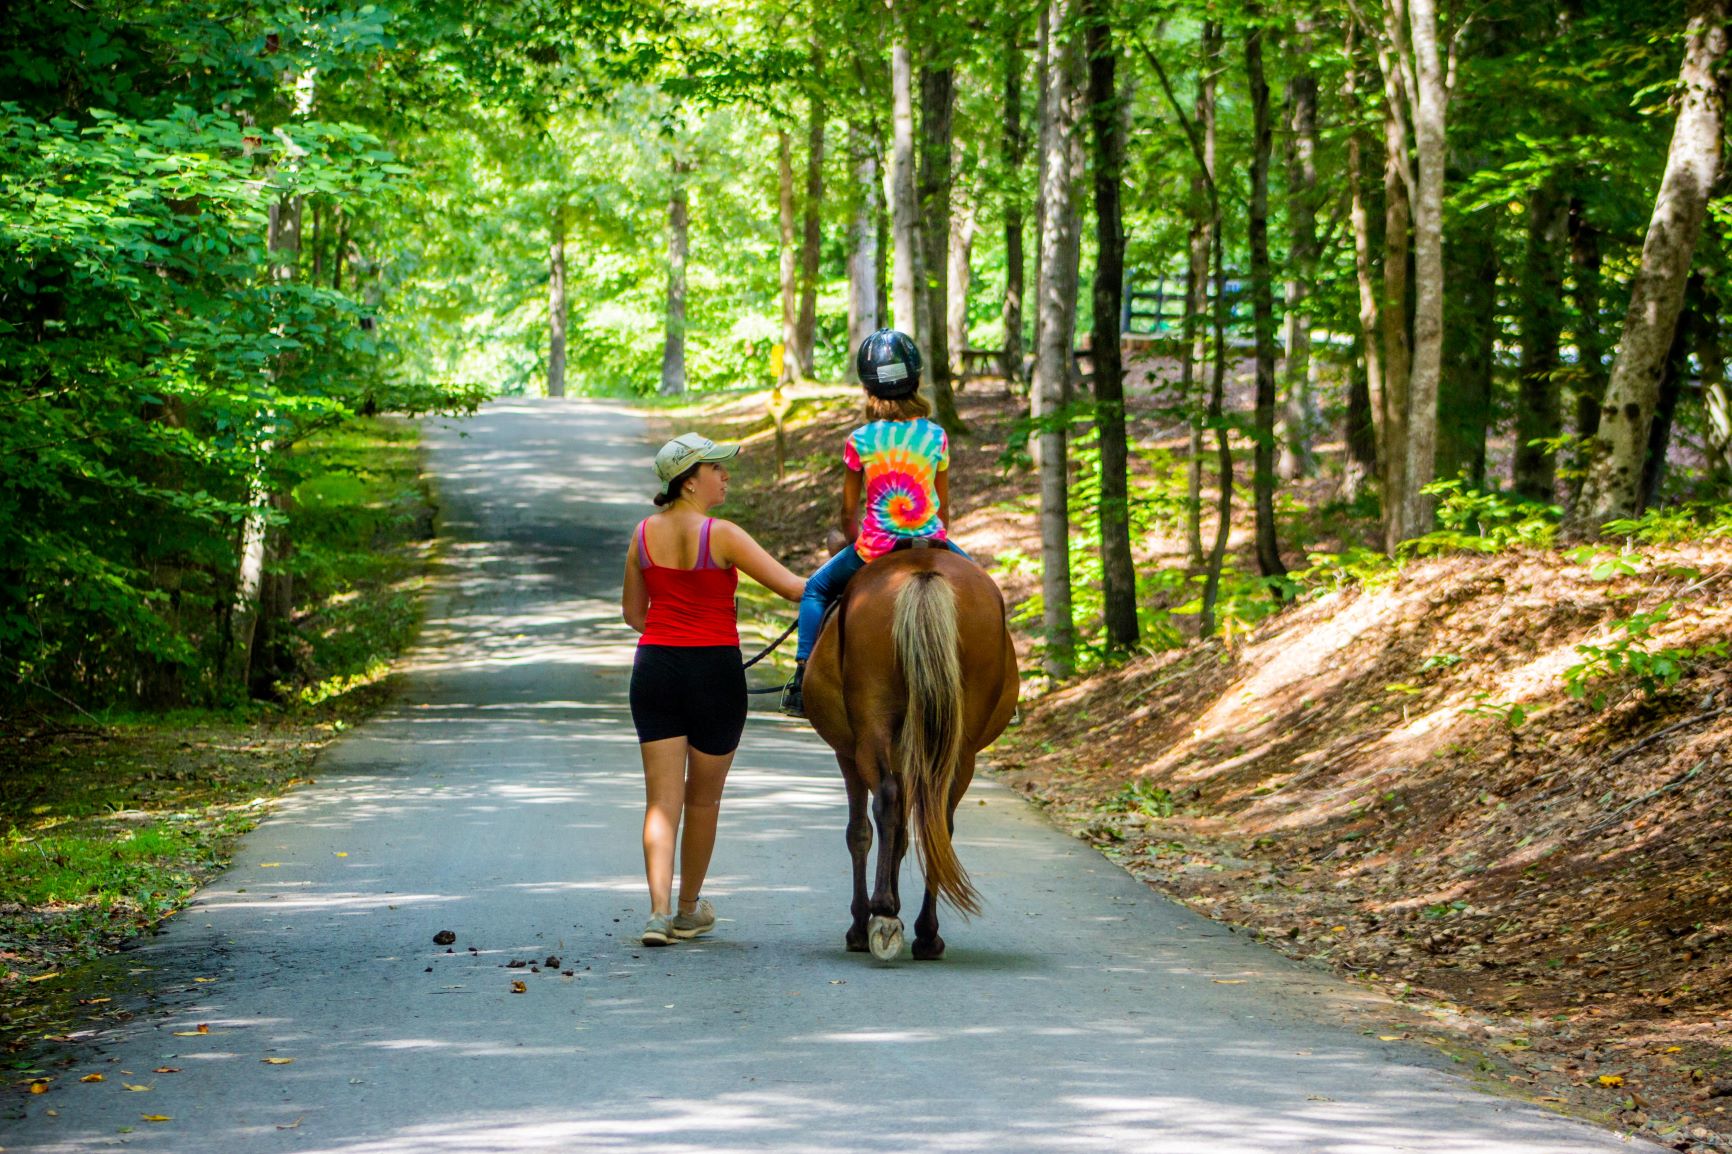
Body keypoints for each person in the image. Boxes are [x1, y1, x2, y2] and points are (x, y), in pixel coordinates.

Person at [622, 433, 805, 946]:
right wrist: (856, 565)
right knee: (702, 802)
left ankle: (657, 913)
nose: (725, 476)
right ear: (689, 479)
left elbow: (635, 614)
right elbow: (794, 588)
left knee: (661, 801)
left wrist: (673, 636)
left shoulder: (641, 535)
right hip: (716, 673)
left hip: (655, 668)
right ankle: (687, 910)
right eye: (716, 468)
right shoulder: (721, 534)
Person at [781, 330, 971, 718]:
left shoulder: (860, 439)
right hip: (930, 545)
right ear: (915, 381)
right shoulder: (936, 435)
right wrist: (935, 536)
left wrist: (854, 540)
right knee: (985, 589)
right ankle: (1000, 688)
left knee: (816, 588)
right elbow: (944, 505)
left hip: (876, 549)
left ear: (868, 388)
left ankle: (801, 677)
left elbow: (848, 511)